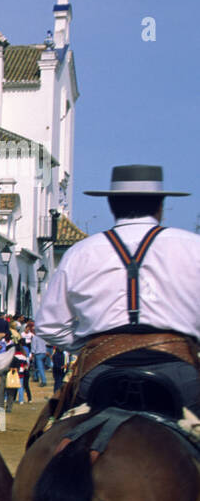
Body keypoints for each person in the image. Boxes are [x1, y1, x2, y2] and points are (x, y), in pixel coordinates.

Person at [36, 165, 200, 411]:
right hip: (179, 373)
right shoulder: (193, 247)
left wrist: (96, 344)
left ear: (111, 204)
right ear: (160, 205)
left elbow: (49, 326)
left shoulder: (80, 252)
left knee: (49, 433)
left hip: (101, 373)